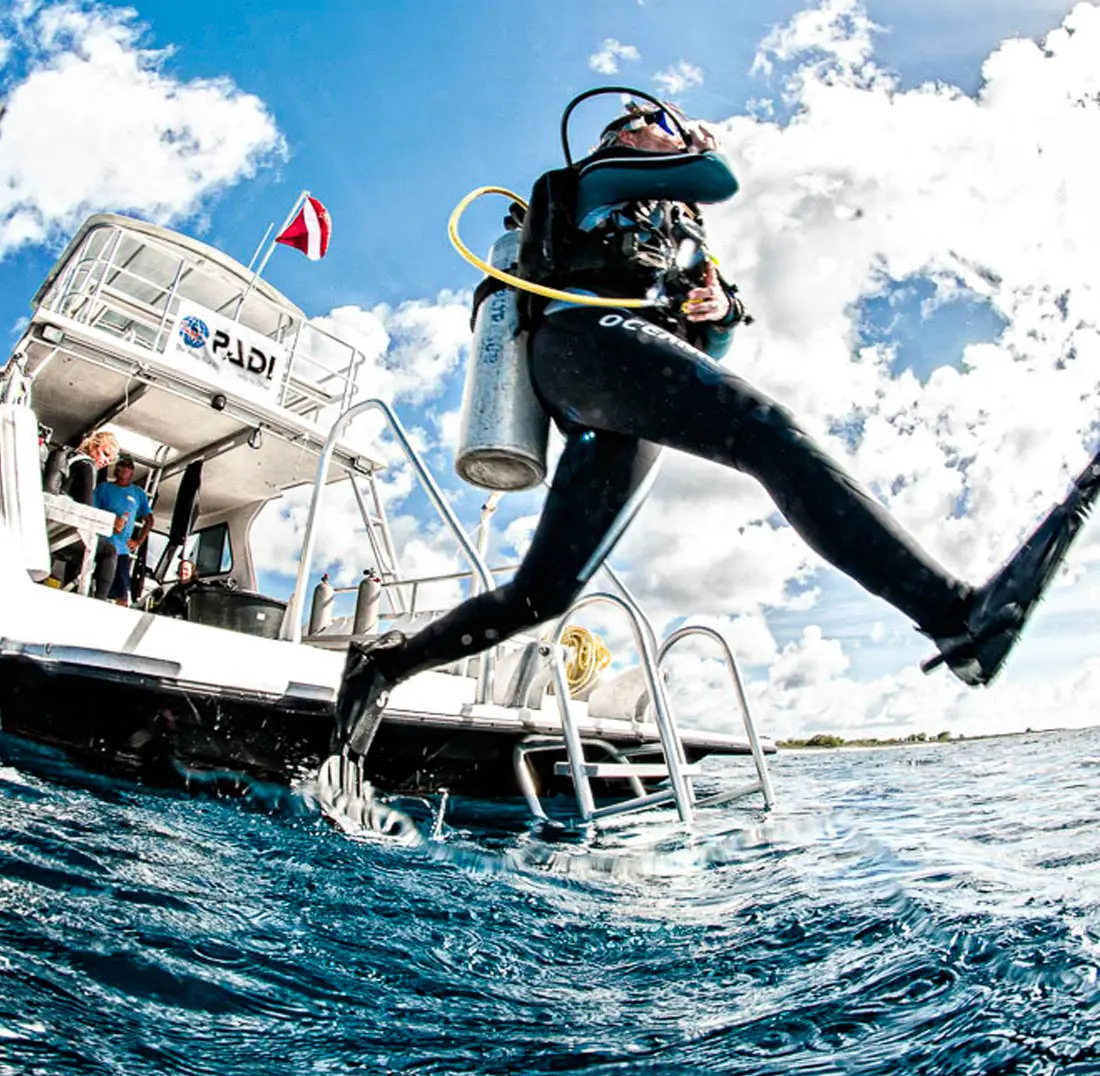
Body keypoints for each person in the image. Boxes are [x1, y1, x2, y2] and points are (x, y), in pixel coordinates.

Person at [333, 98, 1100, 764]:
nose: (671, 133)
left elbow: (709, 352)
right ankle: (954, 617)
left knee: (544, 593)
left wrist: (718, 312)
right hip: (585, 346)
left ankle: (383, 669)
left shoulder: (675, 232)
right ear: (628, 135)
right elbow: (722, 178)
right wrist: (697, 139)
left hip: (619, 397)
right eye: (657, 123)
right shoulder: (598, 177)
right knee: (767, 433)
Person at [48, 430, 120, 600]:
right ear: (94, 446)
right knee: (109, 551)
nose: (106, 461)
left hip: (53, 528)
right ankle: (100, 599)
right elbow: (86, 508)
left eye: (110, 459)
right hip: (63, 532)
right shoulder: (87, 467)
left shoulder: (71, 459)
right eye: (105, 454)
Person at [94, 452, 153, 606]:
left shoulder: (138, 493)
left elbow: (149, 520)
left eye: (129, 466)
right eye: (122, 465)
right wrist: (110, 521)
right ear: (116, 468)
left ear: (132, 471)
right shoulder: (103, 487)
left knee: (121, 596)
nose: (126, 469)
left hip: (121, 550)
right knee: (96, 586)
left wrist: (138, 541)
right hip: (100, 544)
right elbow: (91, 511)